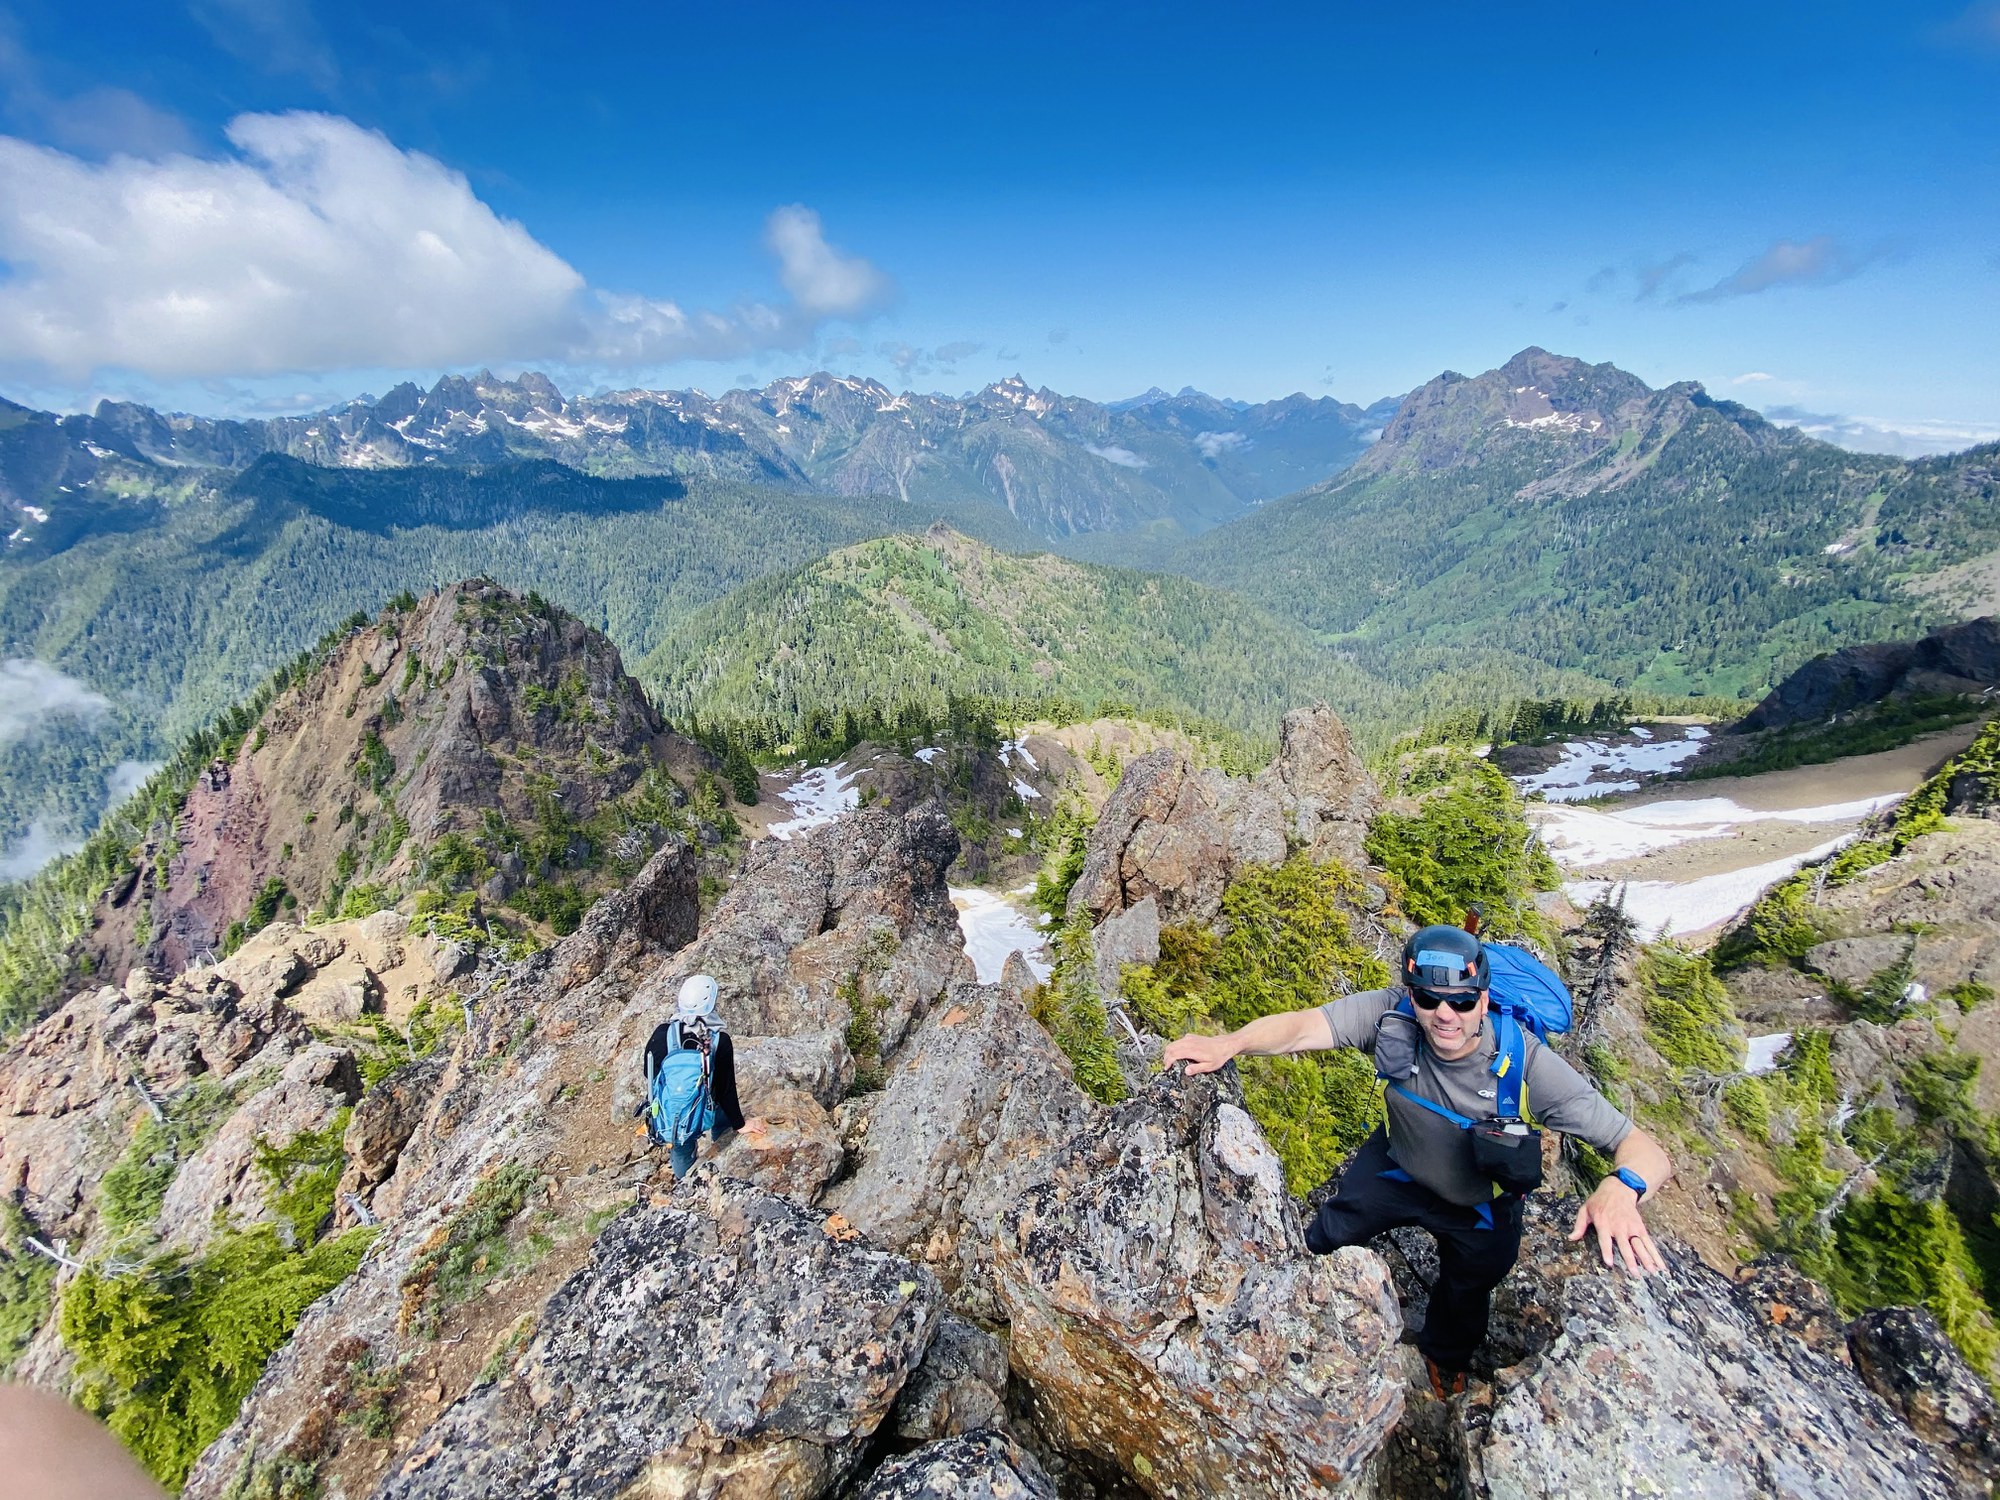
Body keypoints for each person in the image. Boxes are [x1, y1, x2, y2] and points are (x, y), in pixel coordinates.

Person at [1162, 923, 1671, 1398]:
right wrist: (1232, 1043)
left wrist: (1622, 1187)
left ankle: (1443, 1359)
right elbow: (1301, 1028)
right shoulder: (1392, 1017)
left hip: (1482, 1204)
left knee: (1466, 1294)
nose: (1443, 1015)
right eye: (1428, 999)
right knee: (1329, 1233)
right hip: (1397, 1166)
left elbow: (1646, 1150)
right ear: (1411, 995)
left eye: (1462, 1001)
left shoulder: (1527, 1060)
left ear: (1484, 999)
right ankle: (1291, 1296)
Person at [643, 974, 746, 1178]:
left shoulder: (663, 1033)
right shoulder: (719, 1040)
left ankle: (686, 1188)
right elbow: (726, 1089)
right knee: (721, 1118)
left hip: (674, 1112)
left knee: (681, 1147)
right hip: (708, 1105)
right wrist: (740, 1124)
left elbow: (649, 1072)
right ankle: (720, 1158)